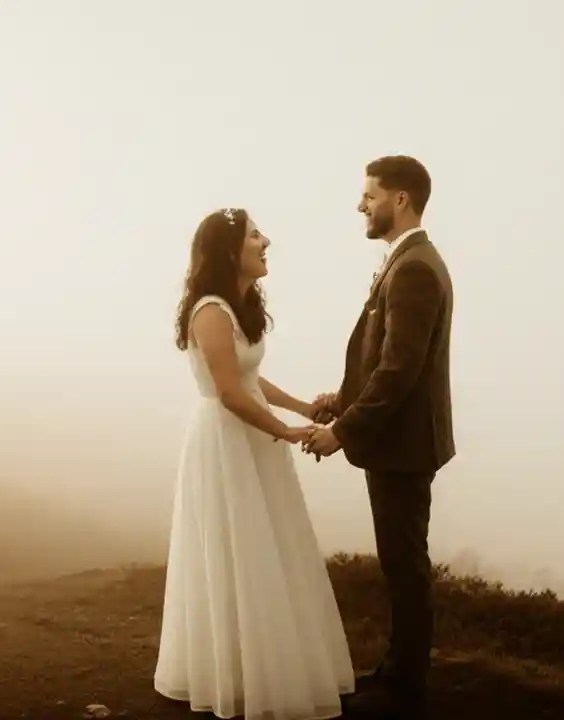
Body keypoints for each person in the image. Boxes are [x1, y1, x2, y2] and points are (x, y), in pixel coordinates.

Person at [154, 207, 355, 720]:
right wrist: (284, 432)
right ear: (228, 251)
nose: (266, 242)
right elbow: (228, 393)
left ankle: (263, 666)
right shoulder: (211, 312)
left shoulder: (239, 307)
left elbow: (251, 380)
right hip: (224, 444)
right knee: (236, 549)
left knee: (268, 548)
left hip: (251, 437)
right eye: (254, 236)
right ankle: (236, 673)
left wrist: (302, 409)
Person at [304, 155, 455, 720]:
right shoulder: (409, 260)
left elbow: (399, 371)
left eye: (368, 195)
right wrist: (339, 400)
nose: (360, 205)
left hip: (402, 446)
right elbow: (384, 363)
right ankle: (400, 671)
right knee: (402, 561)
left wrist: (341, 431)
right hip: (401, 440)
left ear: (400, 200)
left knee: (405, 563)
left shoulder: (414, 267)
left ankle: (407, 685)